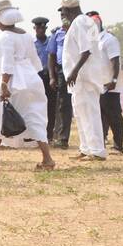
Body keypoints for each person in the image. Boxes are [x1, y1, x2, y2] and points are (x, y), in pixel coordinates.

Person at [0, 2, 56, 171]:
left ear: (0, 19)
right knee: (33, 117)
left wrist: (4, 84)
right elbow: (35, 61)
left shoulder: (4, 37)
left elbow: (7, 63)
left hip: (12, 80)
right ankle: (47, 158)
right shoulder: (26, 35)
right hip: (30, 78)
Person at [59, 0, 109, 161]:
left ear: (70, 9)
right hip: (84, 76)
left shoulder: (80, 22)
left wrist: (74, 71)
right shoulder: (88, 21)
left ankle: (96, 150)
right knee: (81, 113)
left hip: (83, 77)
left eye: (64, 10)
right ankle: (86, 148)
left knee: (89, 113)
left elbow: (86, 51)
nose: (63, 14)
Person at [90, 13, 123, 154]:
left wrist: (114, 80)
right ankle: (101, 143)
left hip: (109, 84)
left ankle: (118, 145)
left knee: (113, 115)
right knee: (100, 114)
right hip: (97, 83)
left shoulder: (109, 40)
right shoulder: (92, 40)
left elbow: (115, 61)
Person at [47, 18, 72, 148]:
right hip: (62, 72)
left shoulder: (79, 32)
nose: (64, 18)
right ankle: (62, 138)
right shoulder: (57, 34)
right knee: (63, 105)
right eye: (61, 15)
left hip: (78, 70)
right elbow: (51, 56)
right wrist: (52, 77)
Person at [31, 17, 57, 141]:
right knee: (36, 106)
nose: (40, 30)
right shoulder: (31, 43)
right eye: (38, 27)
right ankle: (36, 134)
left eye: (43, 27)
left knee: (51, 106)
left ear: (46, 28)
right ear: (34, 28)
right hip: (36, 76)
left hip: (50, 76)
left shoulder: (51, 41)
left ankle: (49, 134)